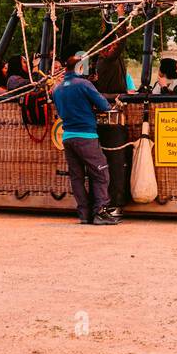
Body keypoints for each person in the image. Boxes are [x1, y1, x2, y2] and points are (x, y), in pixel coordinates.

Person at [51, 47, 118, 225]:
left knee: (77, 177)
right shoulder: (83, 84)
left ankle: (84, 214)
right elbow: (104, 105)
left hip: (67, 137)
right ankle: (100, 212)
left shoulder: (57, 89)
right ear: (80, 68)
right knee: (100, 172)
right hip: (86, 136)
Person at [96, 3, 131, 97]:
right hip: (112, 98)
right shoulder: (108, 56)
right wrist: (121, 16)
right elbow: (121, 41)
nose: (117, 41)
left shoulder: (107, 55)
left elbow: (121, 39)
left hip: (114, 95)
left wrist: (126, 31)